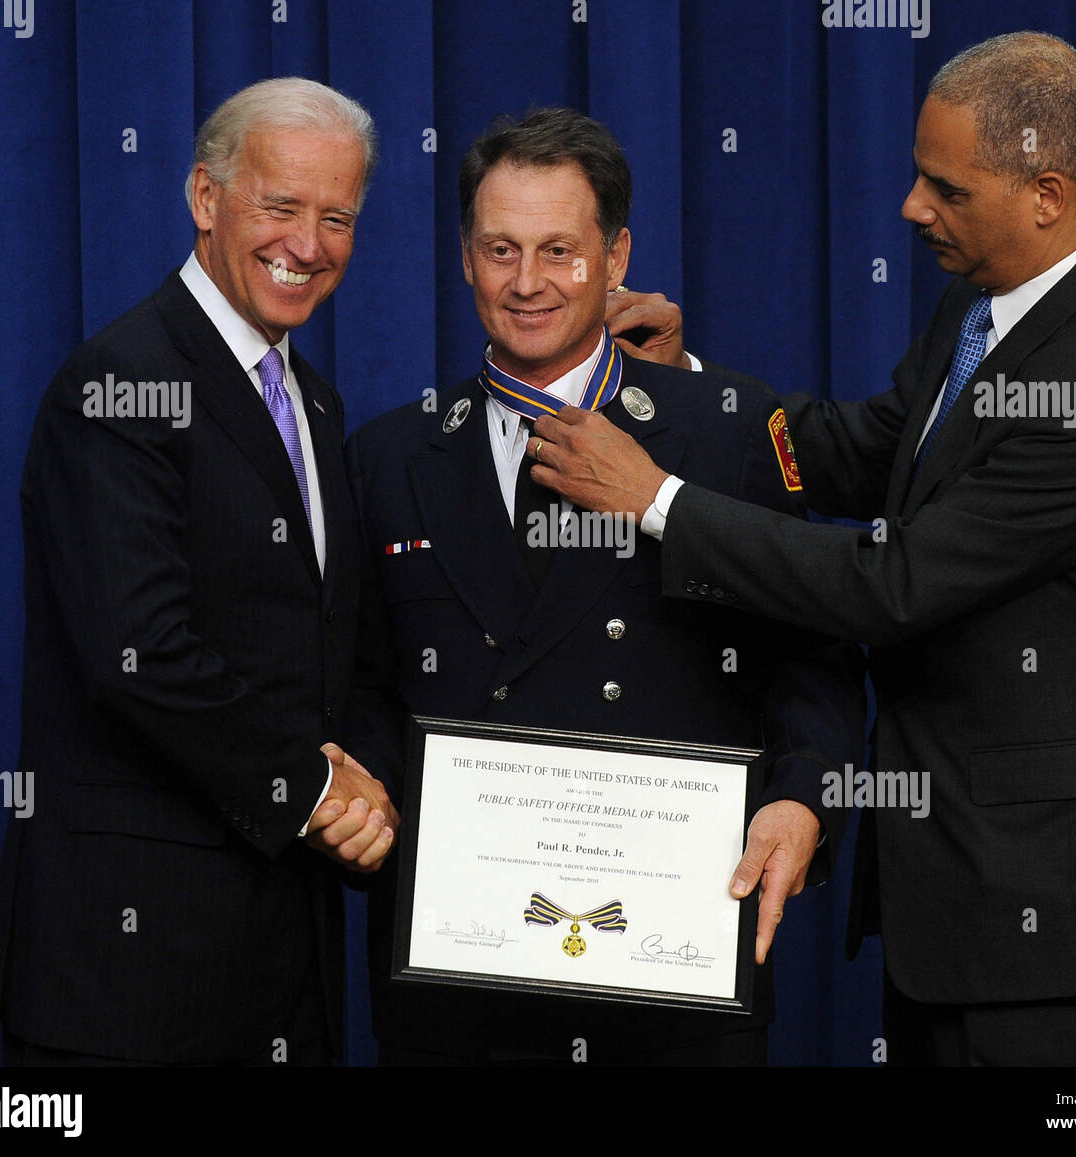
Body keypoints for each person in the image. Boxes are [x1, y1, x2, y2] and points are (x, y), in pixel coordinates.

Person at [530, 32, 1076, 1065]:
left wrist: (654, 495)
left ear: (1047, 195)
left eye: (945, 187)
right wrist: (691, 383)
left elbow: (891, 585)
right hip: (956, 904)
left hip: (1052, 928)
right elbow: (860, 450)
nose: (910, 208)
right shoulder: (983, 310)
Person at [340, 108, 865, 1065]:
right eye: (500, 249)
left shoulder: (729, 430)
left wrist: (804, 801)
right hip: (462, 988)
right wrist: (364, 788)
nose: (528, 281)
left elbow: (815, 661)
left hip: (675, 985)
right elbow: (367, 688)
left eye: (559, 250)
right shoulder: (387, 456)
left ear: (615, 257)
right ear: (464, 257)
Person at [0, 77, 402, 1066]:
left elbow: (345, 652)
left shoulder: (318, 407)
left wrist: (370, 787)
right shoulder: (120, 383)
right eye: (279, 205)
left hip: (282, 967)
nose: (307, 242)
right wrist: (315, 791)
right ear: (205, 199)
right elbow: (141, 654)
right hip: (128, 982)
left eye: (336, 216)